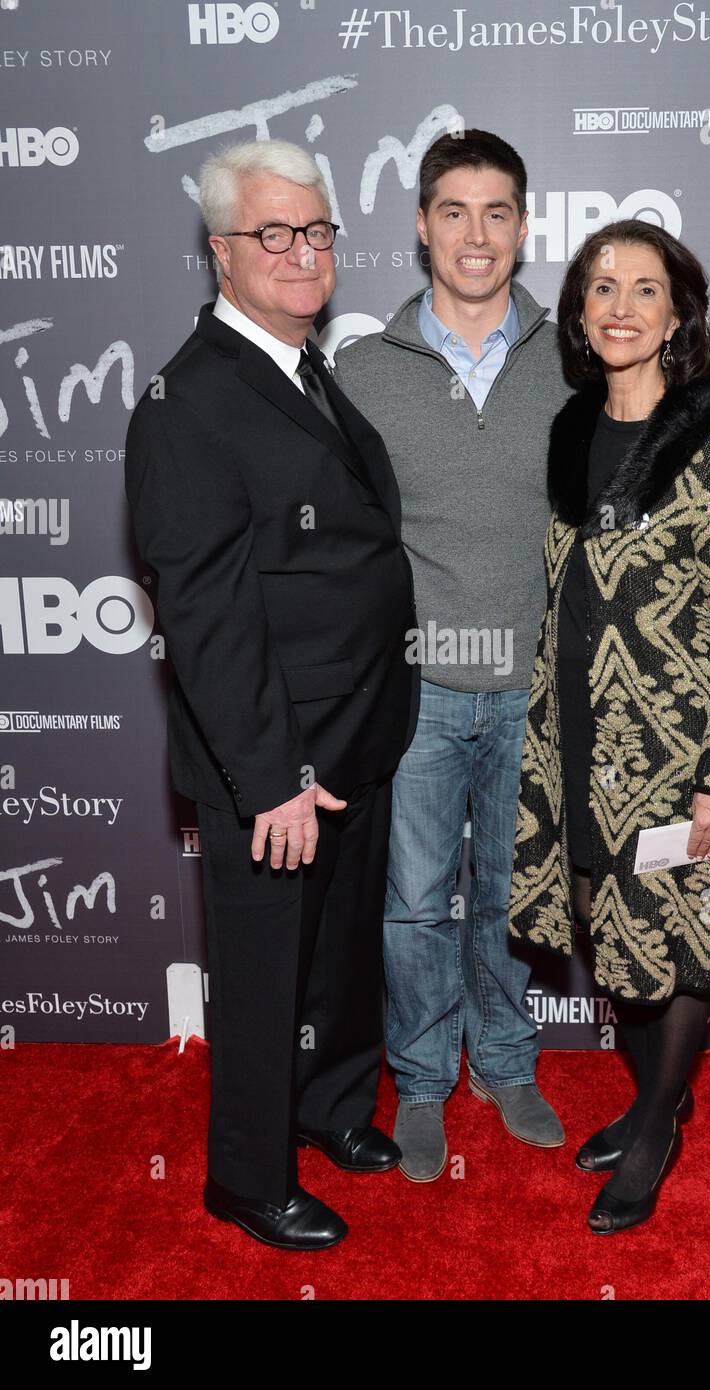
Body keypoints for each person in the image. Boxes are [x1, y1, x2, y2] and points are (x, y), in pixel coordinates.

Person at [332, 130, 710, 1182]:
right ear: (423, 224)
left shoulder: (565, 376)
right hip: (424, 688)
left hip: (541, 699)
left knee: (513, 903)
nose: (474, 235)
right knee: (412, 904)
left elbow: (672, 473)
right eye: (451, 211)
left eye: (496, 214)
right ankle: (427, 1081)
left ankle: (509, 1064)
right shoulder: (355, 370)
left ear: (524, 230)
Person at [124, 140, 419, 1250]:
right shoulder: (187, 402)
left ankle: (332, 1107)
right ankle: (246, 1176)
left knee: (341, 951)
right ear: (221, 253)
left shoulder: (305, 366)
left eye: (319, 231)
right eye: (274, 235)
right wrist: (271, 783)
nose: (304, 253)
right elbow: (204, 619)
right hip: (273, 756)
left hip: (357, 725)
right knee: (260, 973)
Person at [508, 218, 710, 1234]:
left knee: (675, 949)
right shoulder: (569, 431)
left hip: (674, 752)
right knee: (607, 937)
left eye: (644, 289)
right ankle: (656, 1098)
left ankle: (656, 1126)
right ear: (578, 312)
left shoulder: (708, 444)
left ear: (677, 314)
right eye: (601, 286)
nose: (620, 306)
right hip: (571, 741)